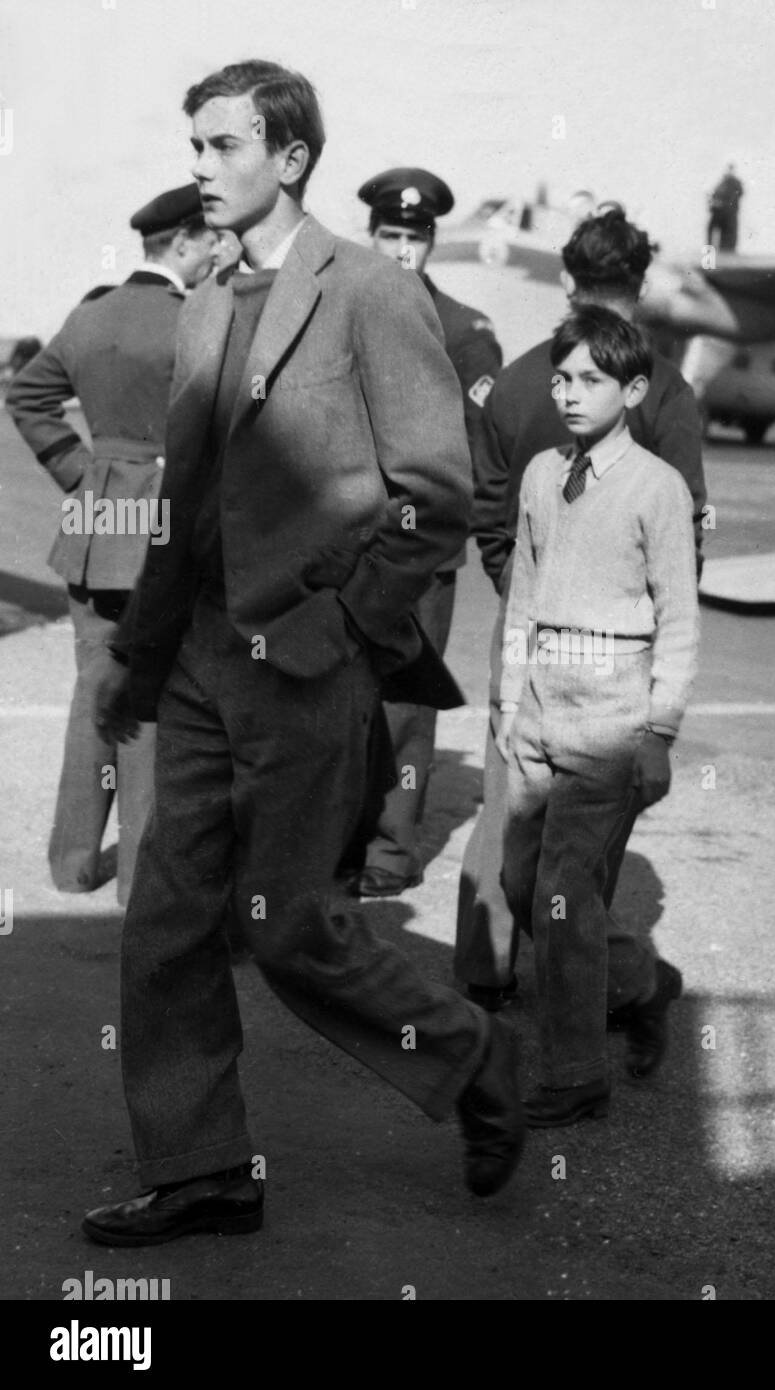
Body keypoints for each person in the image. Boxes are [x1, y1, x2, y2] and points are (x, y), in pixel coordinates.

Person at [81, 60, 523, 1248]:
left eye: (223, 147)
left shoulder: (372, 290)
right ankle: (201, 1166)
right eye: (195, 147)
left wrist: (341, 627)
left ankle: (475, 1056)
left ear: (291, 158)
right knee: (167, 921)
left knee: (289, 928)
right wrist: (139, 650)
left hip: (307, 663)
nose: (202, 170)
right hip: (201, 663)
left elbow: (434, 496)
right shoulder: (210, 299)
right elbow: (190, 496)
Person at [458, 206, 706, 1011]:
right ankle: (598, 983)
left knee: (510, 800)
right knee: (588, 829)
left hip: (524, 621)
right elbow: (683, 528)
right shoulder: (660, 389)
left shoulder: (517, 378)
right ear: (639, 284)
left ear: (566, 280)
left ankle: (485, 968)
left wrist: (517, 583)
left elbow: (488, 509)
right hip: (615, 641)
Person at [497, 305, 699, 1126]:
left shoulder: (659, 486)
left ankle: (575, 1073)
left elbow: (680, 617)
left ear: (633, 389)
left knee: (561, 893)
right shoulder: (543, 472)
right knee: (521, 885)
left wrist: (659, 733)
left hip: (615, 711)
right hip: (542, 700)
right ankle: (642, 986)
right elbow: (520, 593)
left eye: (590, 381)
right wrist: (512, 702)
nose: (570, 395)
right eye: (561, 379)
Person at [5, 185, 218, 906]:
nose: (221, 250)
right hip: (161, 530)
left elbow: (27, 398)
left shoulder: (89, 315)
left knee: (95, 686)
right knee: (151, 703)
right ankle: (140, 880)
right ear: (185, 242)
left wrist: (81, 474)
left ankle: (70, 862)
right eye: (211, 239)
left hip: (99, 529)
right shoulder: (194, 322)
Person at [338, 167, 503, 899]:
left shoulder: (466, 332)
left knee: (404, 704)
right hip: (343, 544)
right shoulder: (334, 311)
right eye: (389, 236)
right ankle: (331, 845)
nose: (402, 250)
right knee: (334, 697)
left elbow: (478, 449)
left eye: (414, 237)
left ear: (431, 243)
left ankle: (388, 853)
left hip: (422, 554)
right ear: (370, 238)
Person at [706, 163, 744, 253]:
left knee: (728, 235)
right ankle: (716, 253)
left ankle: (723, 253)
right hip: (722, 213)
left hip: (727, 213)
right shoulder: (722, 184)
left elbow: (738, 194)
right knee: (724, 234)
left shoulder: (732, 183)